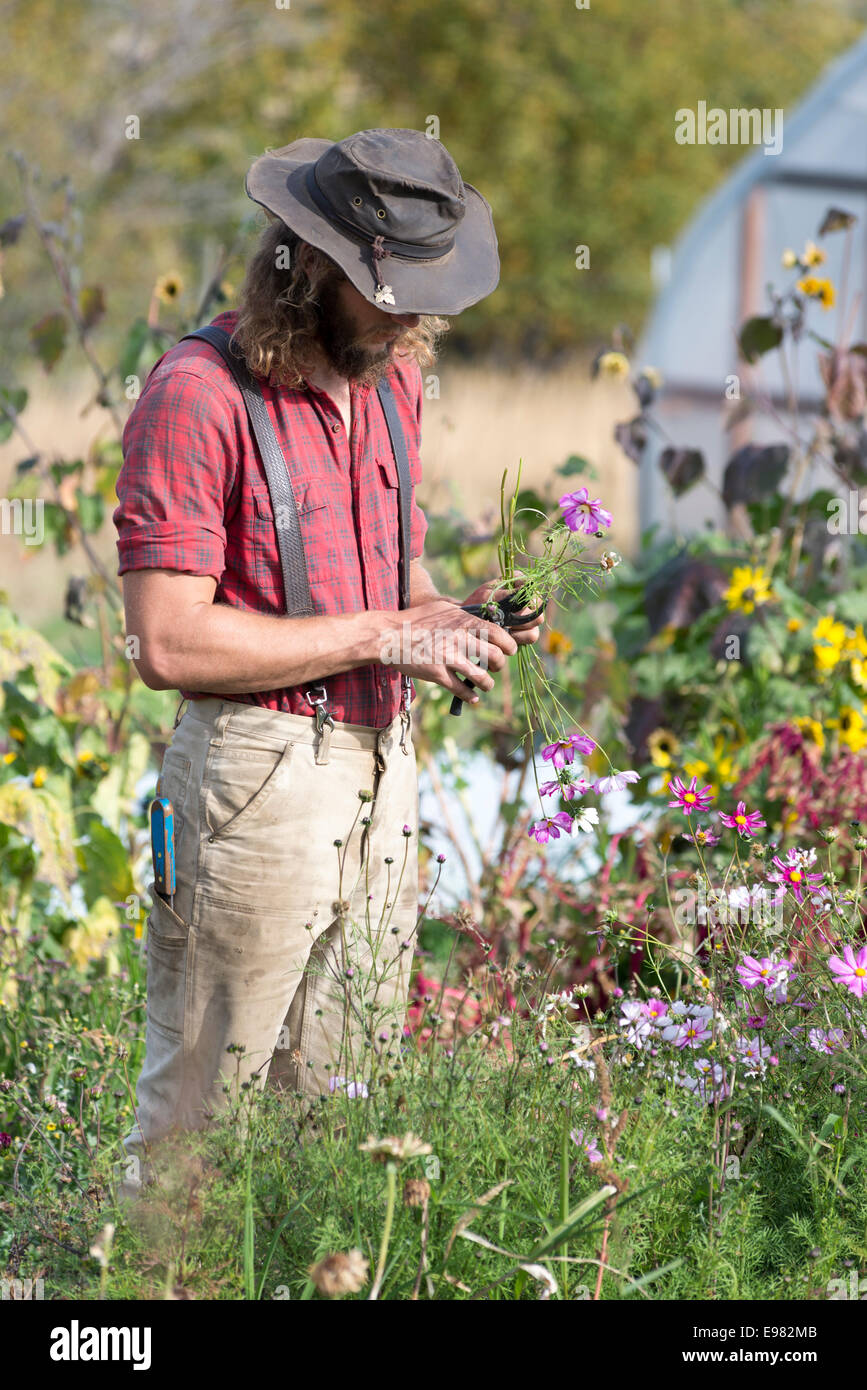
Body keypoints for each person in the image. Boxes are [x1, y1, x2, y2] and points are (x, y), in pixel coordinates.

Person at [113, 128, 541, 1164]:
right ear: (308, 265)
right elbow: (166, 643)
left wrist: (460, 615)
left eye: (422, 294)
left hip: (384, 778)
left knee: (344, 1120)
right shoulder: (197, 394)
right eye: (386, 292)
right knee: (197, 1125)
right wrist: (387, 636)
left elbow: (400, 589)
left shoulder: (392, 382)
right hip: (253, 783)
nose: (410, 320)